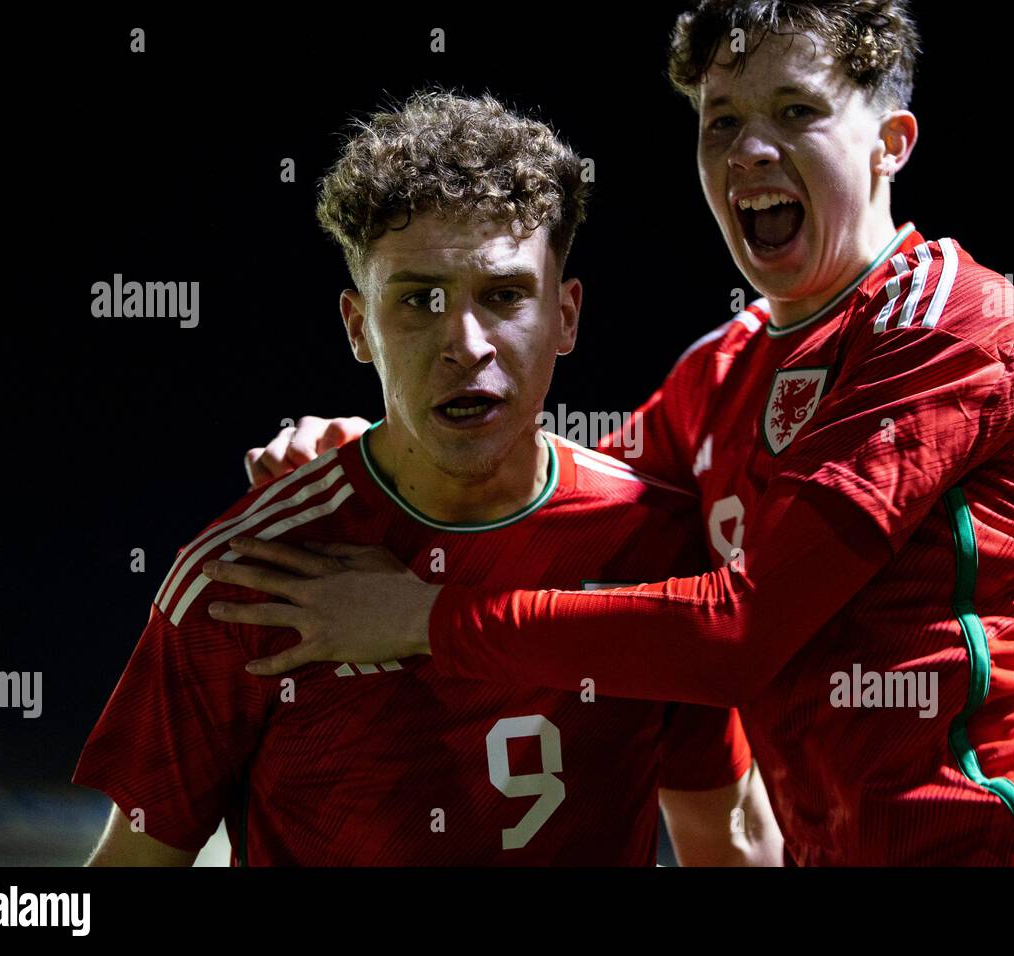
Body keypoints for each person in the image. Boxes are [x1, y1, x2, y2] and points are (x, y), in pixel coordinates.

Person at [213, 2, 1014, 865]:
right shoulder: (719, 370)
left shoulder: (951, 324)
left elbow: (737, 634)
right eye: (723, 122)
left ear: (891, 141)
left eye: (796, 112)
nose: (747, 152)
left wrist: (423, 619)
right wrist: (383, 449)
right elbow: (545, 498)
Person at [75, 91, 782, 866]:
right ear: (358, 328)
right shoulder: (248, 577)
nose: (465, 343)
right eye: (419, 301)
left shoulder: (655, 544)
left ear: (566, 316)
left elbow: (733, 838)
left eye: (505, 295)